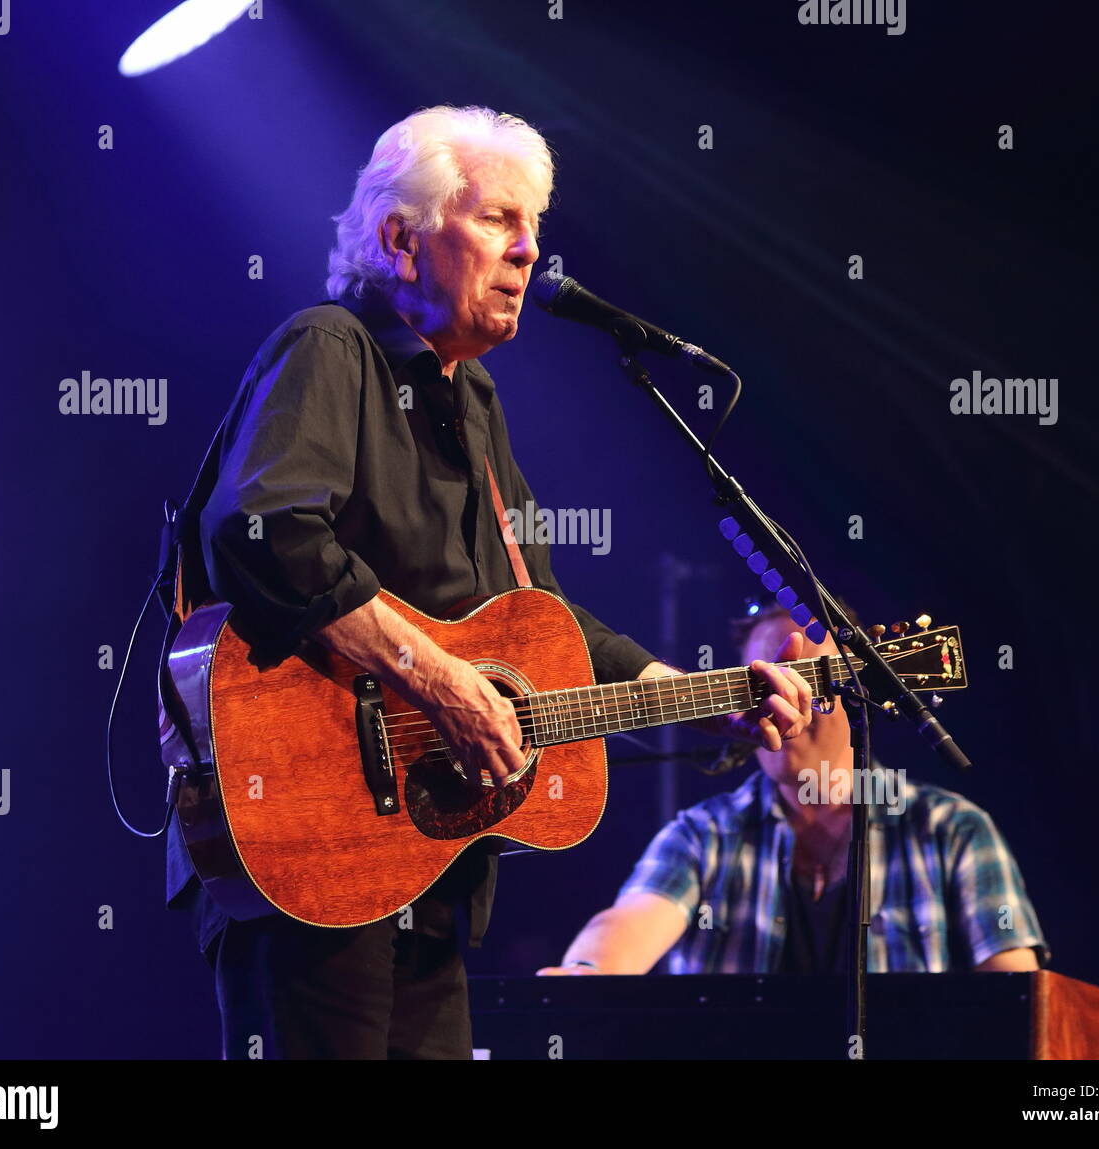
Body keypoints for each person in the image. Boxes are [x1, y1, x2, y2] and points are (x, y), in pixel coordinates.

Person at [163, 105, 817, 1059]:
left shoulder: (473, 400)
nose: (528, 252)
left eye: (535, 230)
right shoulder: (329, 347)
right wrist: (437, 680)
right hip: (306, 832)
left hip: (428, 864)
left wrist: (690, 697)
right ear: (401, 237)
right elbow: (262, 532)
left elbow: (538, 623)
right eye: (499, 221)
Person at [538, 595, 1049, 976]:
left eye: (803, 680)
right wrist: (585, 975)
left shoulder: (949, 828)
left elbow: (1018, 997)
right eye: (759, 685)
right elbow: (628, 926)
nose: (780, 704)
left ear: (857, 695)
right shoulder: (704, 834)